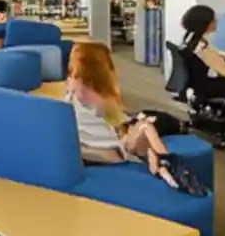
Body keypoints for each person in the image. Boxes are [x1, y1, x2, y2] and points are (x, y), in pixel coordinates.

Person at [65, 42, 179, 188]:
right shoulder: (103, 98)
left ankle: (164, 162)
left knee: (145, 126)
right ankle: (168, 164)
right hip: (109, 153)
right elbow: (118, 123)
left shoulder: (72, 92)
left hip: (93, 149)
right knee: (147, 126)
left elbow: (117, 123)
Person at [179, 5, 225, 112]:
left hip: (197, 83)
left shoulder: (191, 39)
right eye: (213, 19)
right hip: (205, 85)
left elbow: (220, 55)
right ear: (204, 23)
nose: (216, 21)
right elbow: (222, 69)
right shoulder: (200, 46)